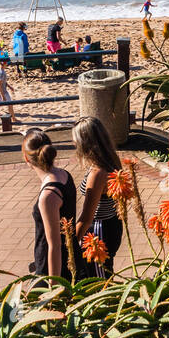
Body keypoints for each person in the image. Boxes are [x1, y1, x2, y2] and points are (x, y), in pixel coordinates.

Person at [23, 129, 80, 278]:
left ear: (26, 158)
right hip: (72, 254)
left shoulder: (49, 195)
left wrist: (52, 287)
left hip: (54, 268)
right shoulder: (65, 175)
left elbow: (54, 245)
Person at [72, 116, 123, 278]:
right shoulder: (112, 161)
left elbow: (87, 217)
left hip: (99, 229)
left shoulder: (97, 173)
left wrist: (70, 244)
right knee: (104, 271)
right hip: (112, 223)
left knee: (99, 278)